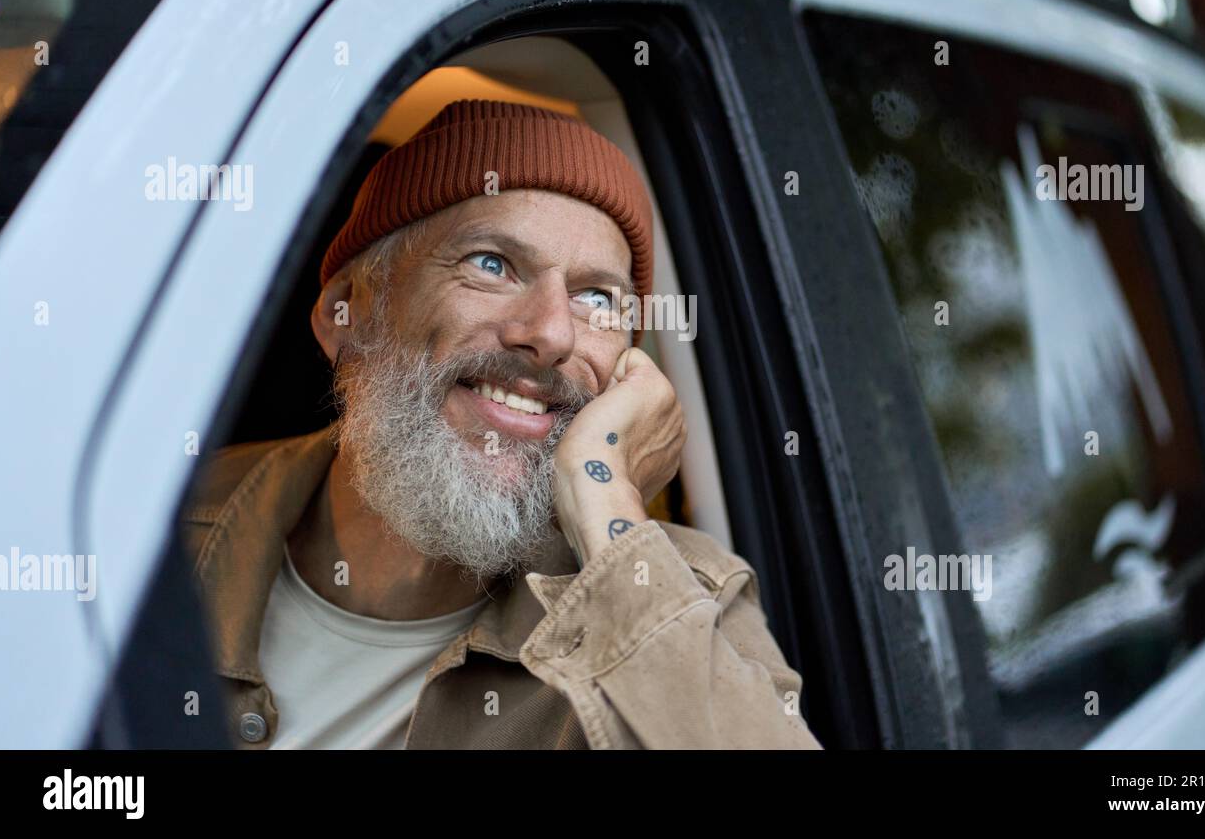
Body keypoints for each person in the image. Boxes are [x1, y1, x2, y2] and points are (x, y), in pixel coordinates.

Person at [181, 98, 821, 749]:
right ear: (348, 310)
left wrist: (602, 494)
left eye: (597, 298)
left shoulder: (688, 598)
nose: (549, 333)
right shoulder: (152, 530)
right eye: (491, 263)